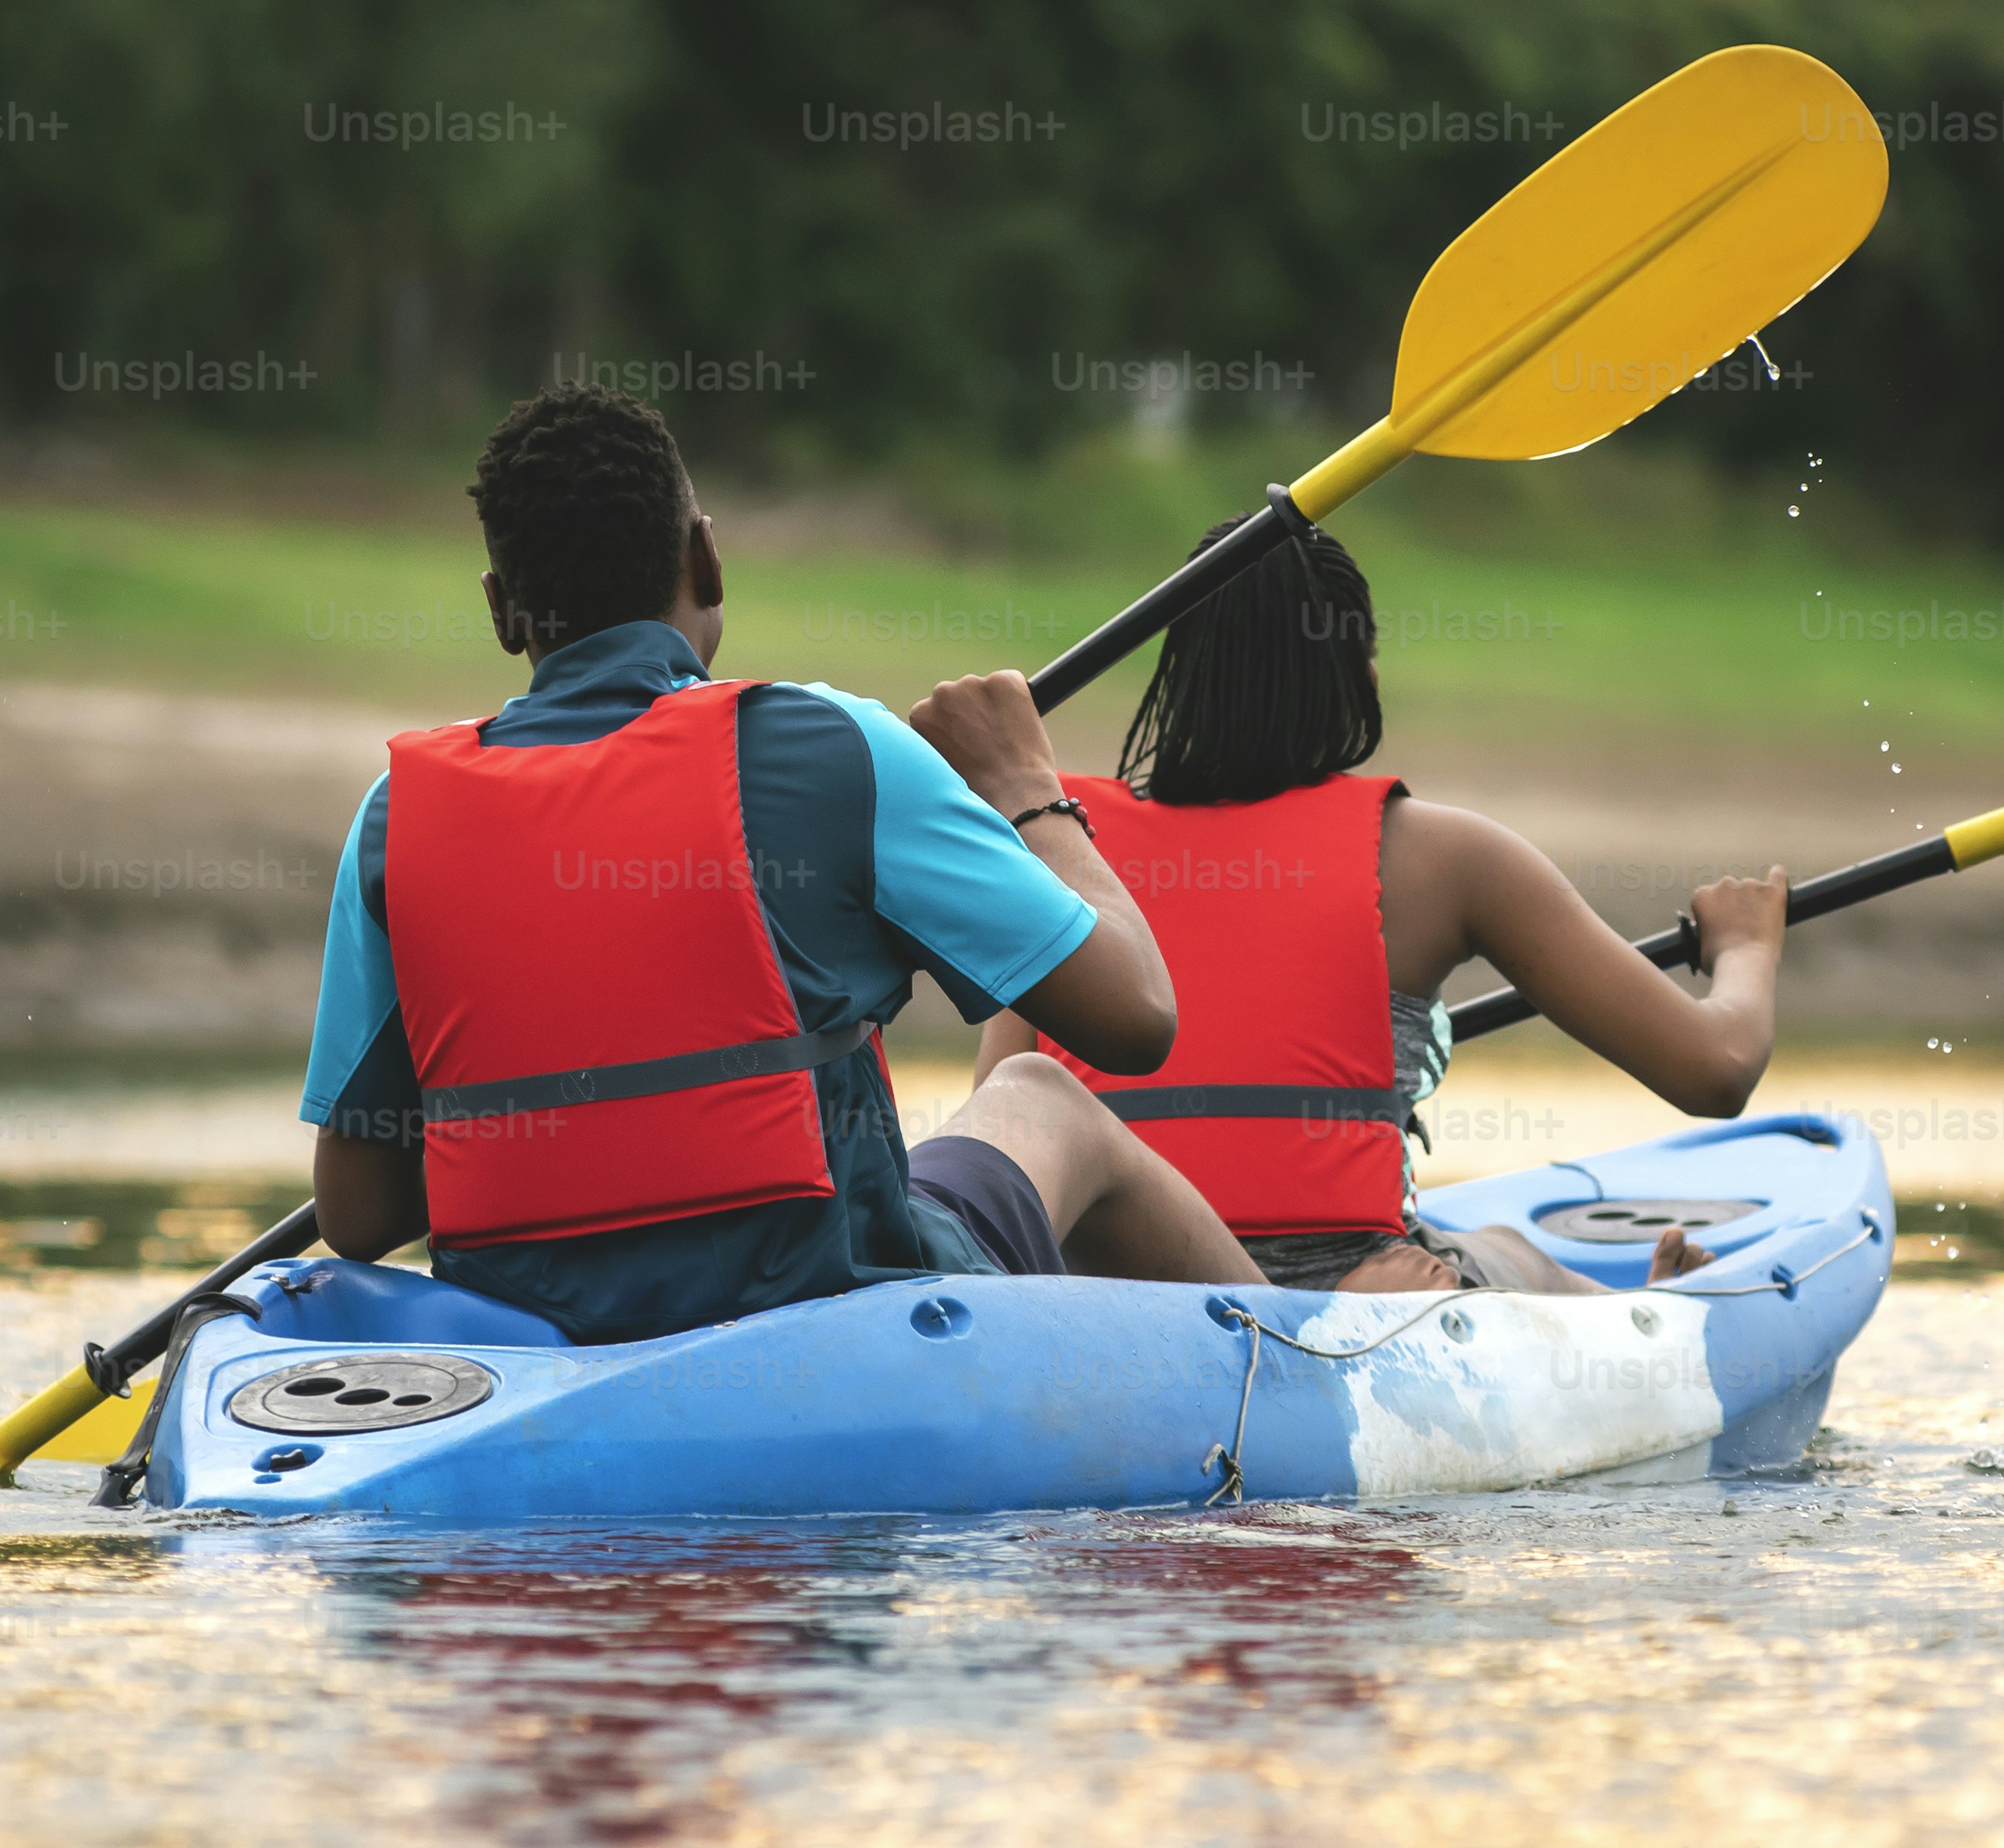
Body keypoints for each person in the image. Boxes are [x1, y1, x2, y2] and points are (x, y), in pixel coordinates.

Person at [303, 387, 1260, 1343]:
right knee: (1043, 1098)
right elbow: (1134, 1017)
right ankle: (1320, 1371)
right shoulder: (834, 748)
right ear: (705, 559)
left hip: (534, 1339)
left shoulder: (396, 816)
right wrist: (1024, 789)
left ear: (503, 611)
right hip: (833, 1310)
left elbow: (358, 1214)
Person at [975, 512, 1790, 1294]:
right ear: (1356, 674)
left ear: (1179, 674)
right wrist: (1744, 949)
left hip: (1098, 1288)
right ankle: (1648, 1311)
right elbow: (1713, 1071)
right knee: (1511, 1253)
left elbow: (1001, 1120)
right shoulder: (1447, 857)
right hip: (1357, 1297)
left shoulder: (1058, 855)